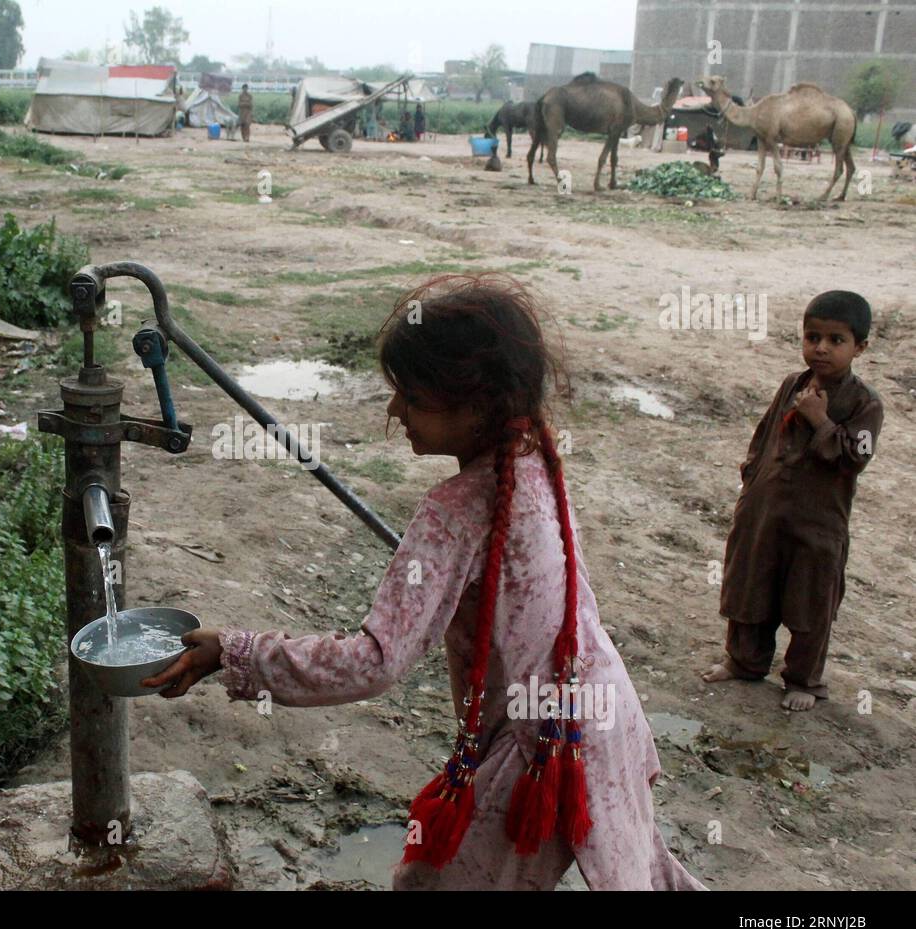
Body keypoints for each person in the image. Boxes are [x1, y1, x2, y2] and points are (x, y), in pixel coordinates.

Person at [145, 275, 705, 891]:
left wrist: (236, 651)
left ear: (478, 405)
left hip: (540, 752)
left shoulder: (453, 513)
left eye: (410, 398)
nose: (393, 412)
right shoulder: (535, 455)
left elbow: (374, 662)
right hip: (602, 714)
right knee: (645, 875)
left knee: (430, 884)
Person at [703, 291, 883, 711]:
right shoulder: (793, 384)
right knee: (751, 585)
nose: (820, 348)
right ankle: (744, 661)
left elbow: (855, 457)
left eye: (835, 340)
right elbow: (764, 435)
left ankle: (803, 680)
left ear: (860, 347)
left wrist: (820, 420)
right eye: (812, 337)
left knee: (810, 602)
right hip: (764, 511)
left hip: (818, 524)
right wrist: (751, 480)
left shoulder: (864, 403)